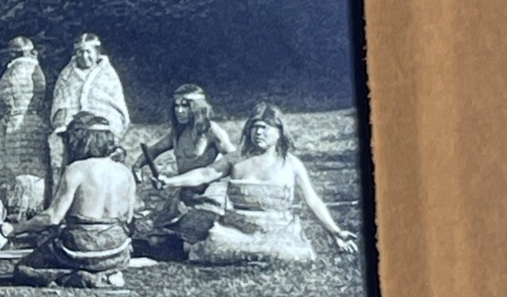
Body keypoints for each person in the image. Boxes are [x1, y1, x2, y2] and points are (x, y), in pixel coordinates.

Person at [158, 102, 357, 264]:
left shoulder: (291, 164)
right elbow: (205, 174)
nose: (258, 133)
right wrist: (169, 181)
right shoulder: (237, 158)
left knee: (292, 255)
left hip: (278, 231)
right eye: (254, 127)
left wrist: (335, 232)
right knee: (215, 249)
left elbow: (313, 201)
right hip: (236, 230)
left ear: (279, 132)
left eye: (264, 128)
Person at [8, 113, 136, 288]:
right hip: (118, 251)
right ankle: (106, 273)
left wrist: (17, 228)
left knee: (24, 269)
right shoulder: (125, 172)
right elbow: (128, 217)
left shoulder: (76, 170)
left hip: (79, 249)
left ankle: (79, 277)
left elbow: (53, 217)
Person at [133, 85, 236, 256]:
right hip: (184, 196)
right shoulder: (178, 131)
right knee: (154, 241)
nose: (179, 110)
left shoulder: (212, 131)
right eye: (176, 106)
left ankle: (191, 241)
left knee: (189, 246)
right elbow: (154, 149)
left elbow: (234, 159)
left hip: (209, 196)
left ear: (198, 107)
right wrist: (137, 165)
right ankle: (179, 241)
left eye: (185, 105)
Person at [48, 33, 129, 194]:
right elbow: (61, 101)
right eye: (80, 52)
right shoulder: (67, 75)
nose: (84, 56)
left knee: (101, 168)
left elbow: (114, 104)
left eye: (88, 52)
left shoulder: (108, 75)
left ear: (97, 53)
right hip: (76, 133)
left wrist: (110, 127)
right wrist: (63, 123)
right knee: (75, 169)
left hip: (100, 134)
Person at [0, 36, 49, 220]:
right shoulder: (36, 69)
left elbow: (4, 100)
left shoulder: (19, 69)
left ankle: (18, 210)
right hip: (33, 123)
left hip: (17, 123)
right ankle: (33, 209)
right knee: (33, 170)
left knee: (16, 171)